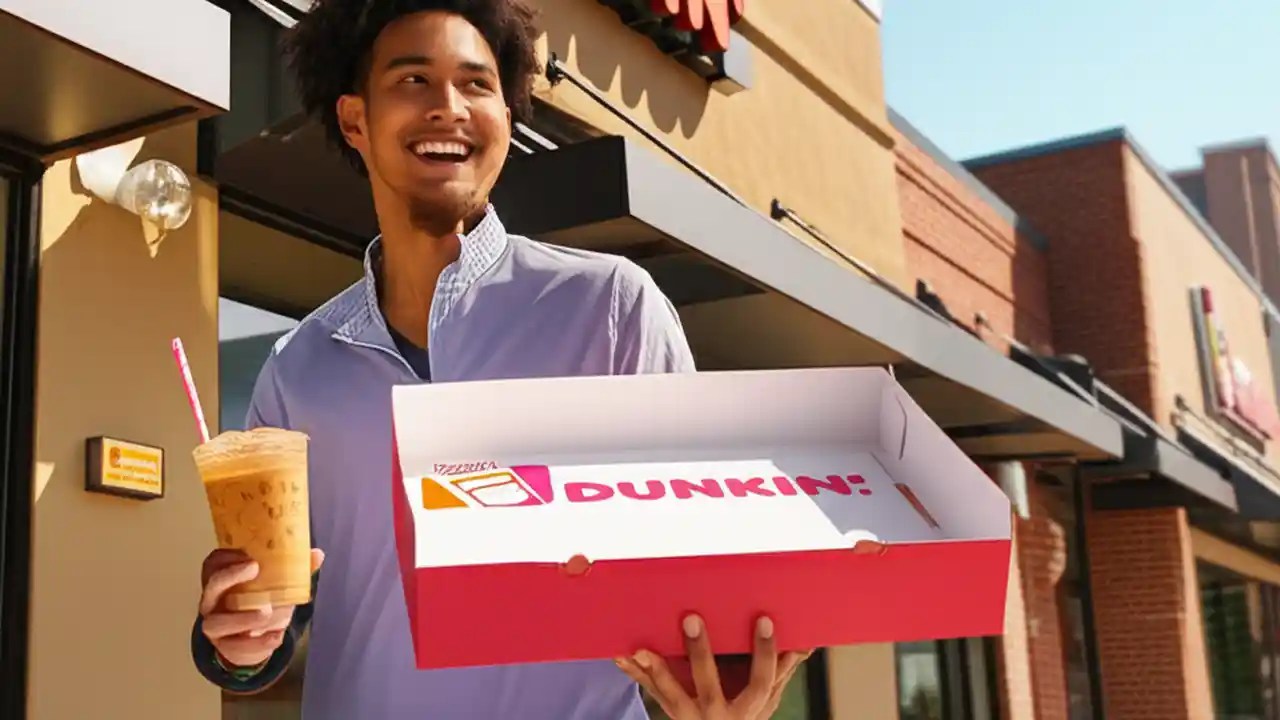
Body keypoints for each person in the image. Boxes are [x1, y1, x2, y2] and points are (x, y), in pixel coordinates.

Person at [191, 1, 810, 718]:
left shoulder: (611, 309)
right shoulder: (297, 365)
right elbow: (277, 613)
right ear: (355, 120)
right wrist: (236, 641)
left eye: (476, 83)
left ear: (508, 119)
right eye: (414, 80)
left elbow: (701, 566)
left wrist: (726, 685)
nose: (448, 107)